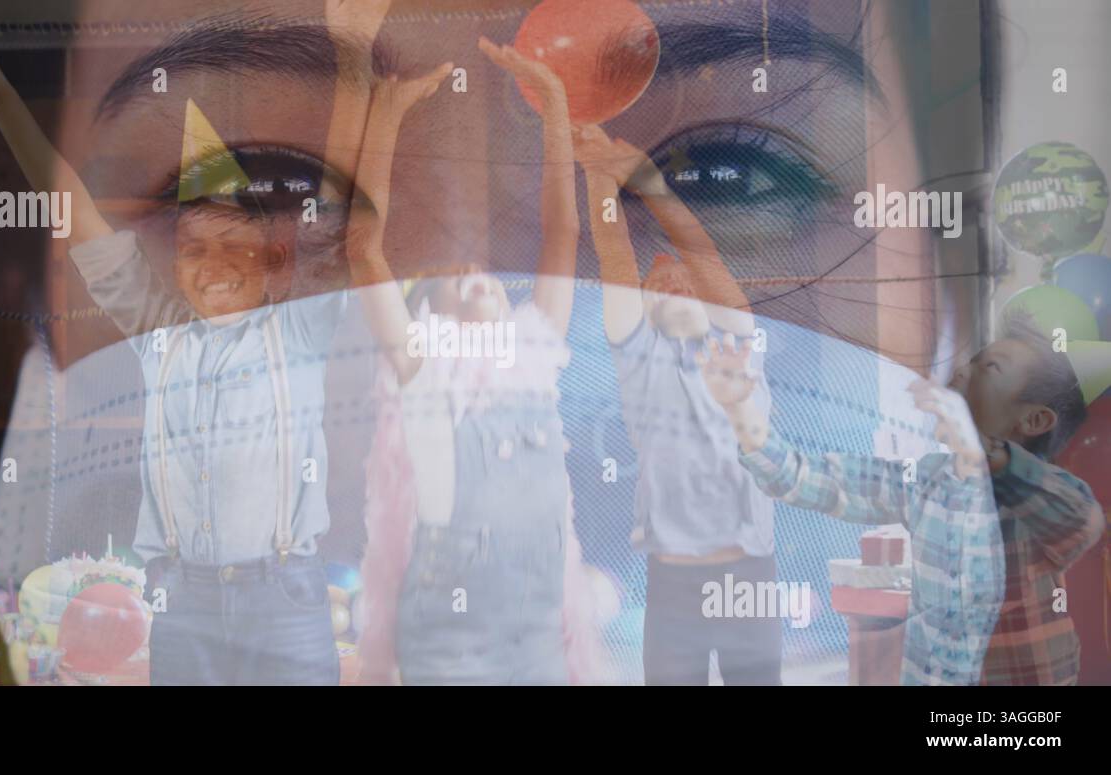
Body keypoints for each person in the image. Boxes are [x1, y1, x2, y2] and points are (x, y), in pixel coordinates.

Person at [0, 0, 396, 684]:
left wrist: (351, 55)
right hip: (182, 600)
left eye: (235, 247)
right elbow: (70, 211)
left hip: (281, 601)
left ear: (272, 261)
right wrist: (0, 100)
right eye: (194, 248)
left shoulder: (298, 331)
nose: (213, 264)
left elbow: (336, 199)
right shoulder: (161, 333)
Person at [352, 38, 606, 684]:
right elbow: (364, 250)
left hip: (539, 625)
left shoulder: (536, 347)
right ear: (428, 313)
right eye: (453, 275)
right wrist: (384, 118)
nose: (474, 272)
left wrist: (553, 107)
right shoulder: (422, 365)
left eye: (484, 272)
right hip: (452, 635)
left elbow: (563, 232)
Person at [699, 311, 1104, 684]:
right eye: (974, 360)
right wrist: (739, 407)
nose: (964, 369)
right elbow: (801, 476)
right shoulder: (927, 480)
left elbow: (1082, 521)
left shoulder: (1042, 496)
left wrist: (984, 452)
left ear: (1033, 420)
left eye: (991, 369)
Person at [573, 124, 781, 684]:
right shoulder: (641, 359)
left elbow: (699, 251)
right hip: (672, 581)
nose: (674, 282)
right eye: (658, 284)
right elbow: (613, 251)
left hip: (749, 576)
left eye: (684, 280)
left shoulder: (740, 347)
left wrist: (648, 183)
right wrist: (596, 173)